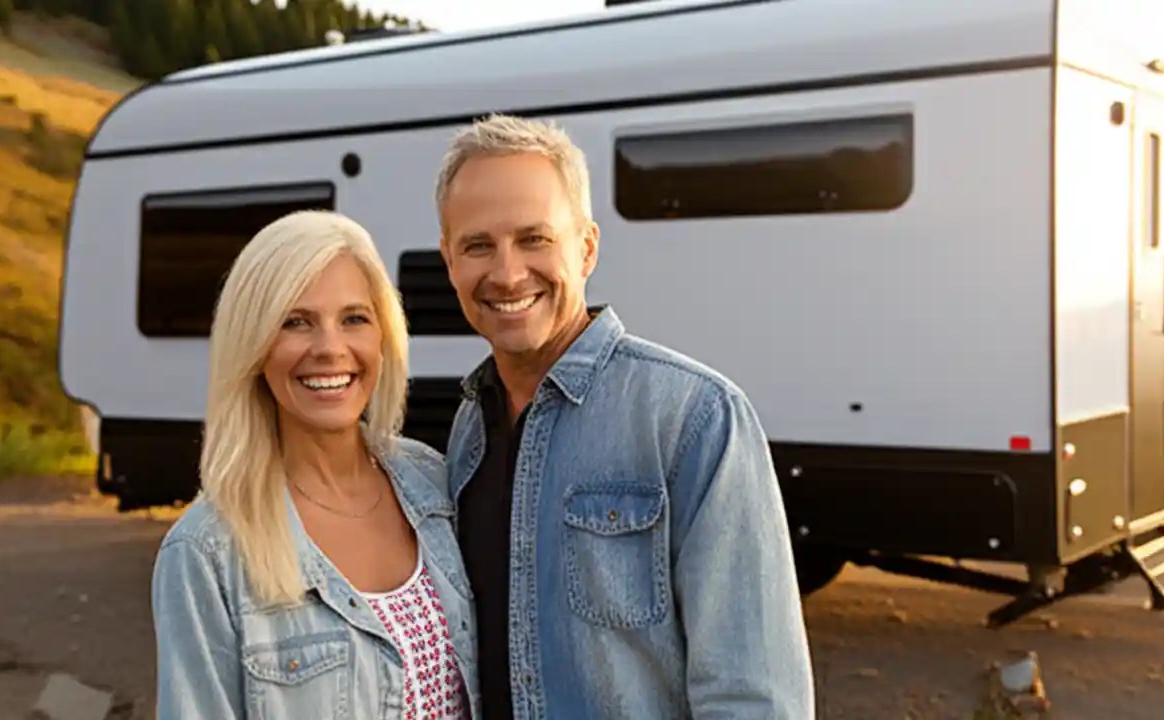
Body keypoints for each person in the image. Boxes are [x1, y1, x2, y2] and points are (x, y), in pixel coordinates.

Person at [435, 114, 814, 718]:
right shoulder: (468, 432)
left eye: (534, 239)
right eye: (479, 245)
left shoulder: (695, 418)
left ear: (586, 247)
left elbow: (754, 696)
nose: (506, 273)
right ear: (449, 261)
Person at [150, 210, 480, 719]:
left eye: (354, 319)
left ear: (383, 337)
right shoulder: (206, 553)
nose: (330, 349)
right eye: (295, 322)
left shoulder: (433, 481)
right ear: (254, 347)